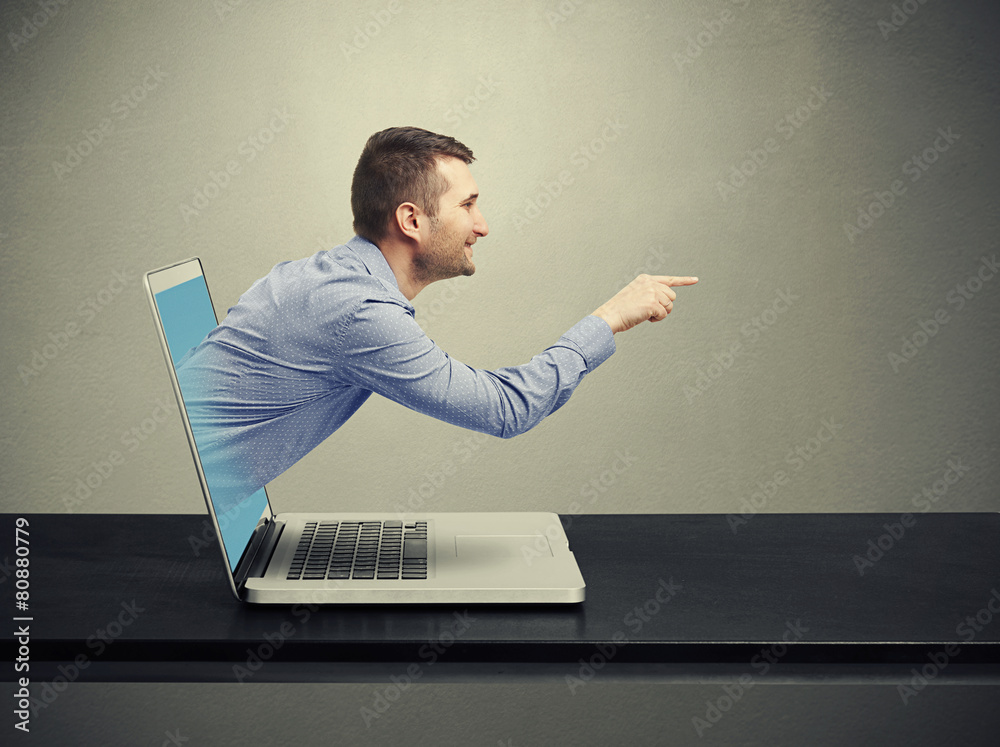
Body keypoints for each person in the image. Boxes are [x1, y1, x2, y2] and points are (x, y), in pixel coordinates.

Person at [176, 126, 697, 513]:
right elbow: (505, 410)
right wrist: (608, 320)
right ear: (411, 220)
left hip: (201, 509)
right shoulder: (358, 312)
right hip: (176, 531)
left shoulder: (327, 277)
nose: (482, 225)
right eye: (468, 205)